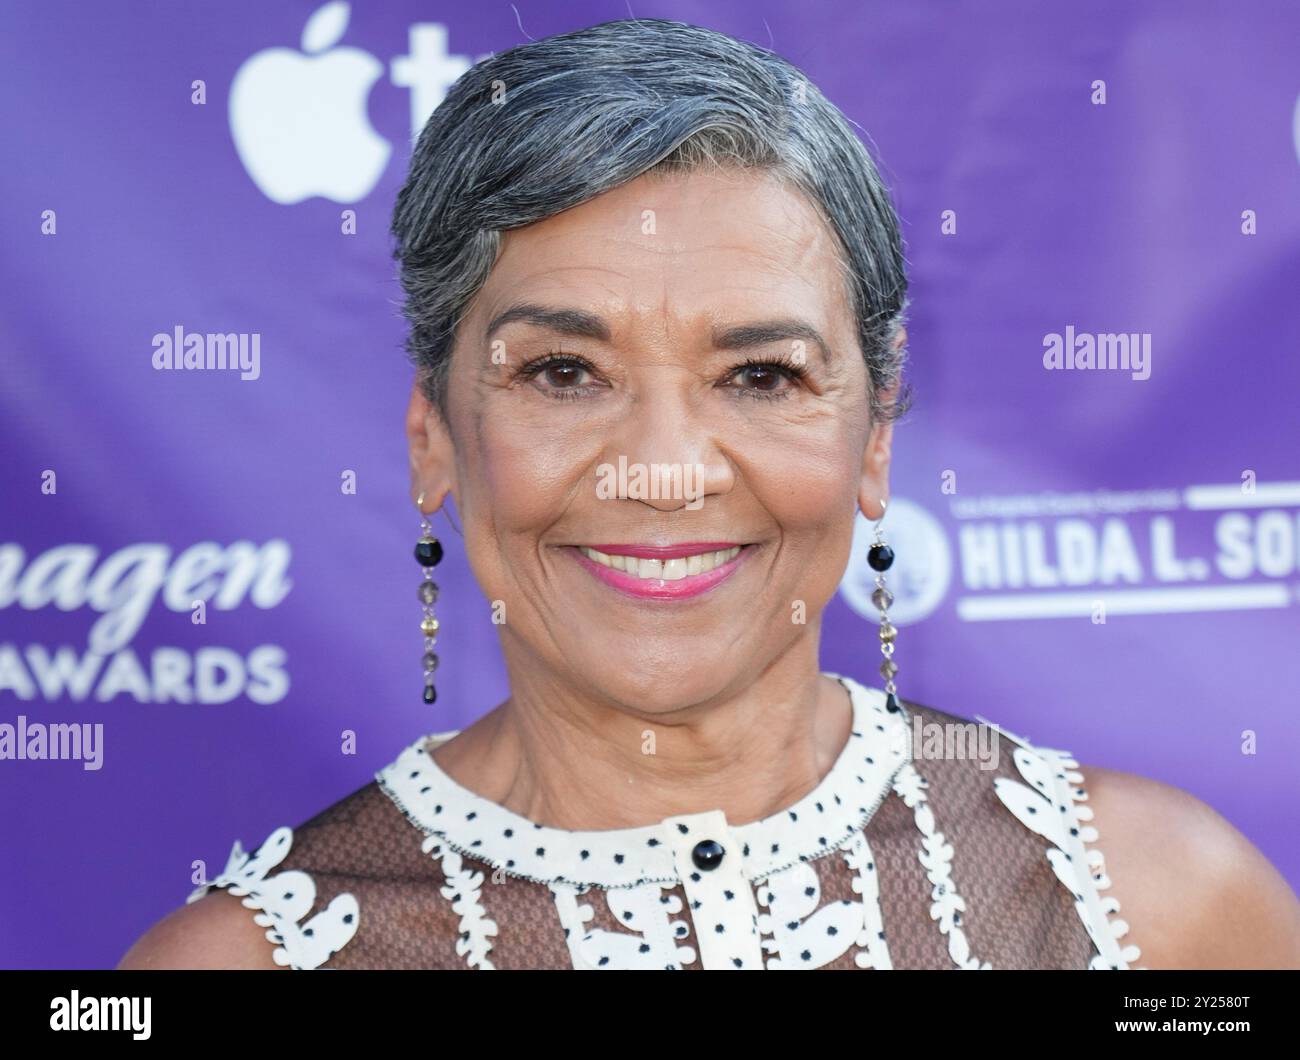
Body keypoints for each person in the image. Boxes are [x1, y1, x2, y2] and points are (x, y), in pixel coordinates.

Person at [118, 17, 1300, 971]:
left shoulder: (1149, 906)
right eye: (564, 372)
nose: (667, 467)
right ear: (434, 436)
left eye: (760, 375)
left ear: (875, 437)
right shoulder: (237, 961)